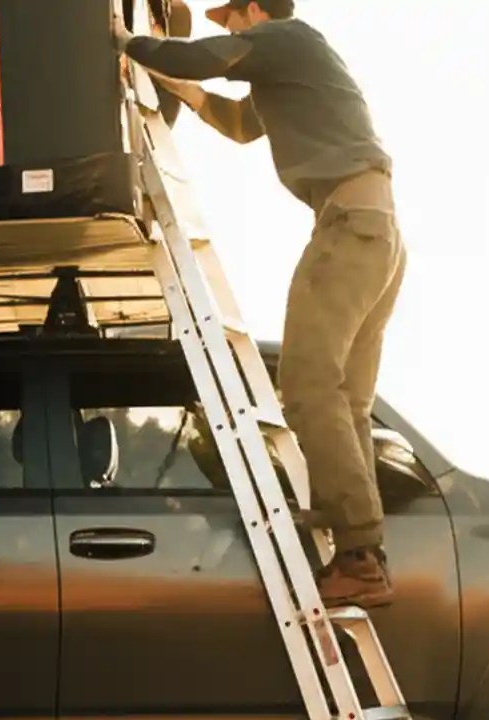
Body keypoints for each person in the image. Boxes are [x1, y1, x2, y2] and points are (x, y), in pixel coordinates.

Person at [112, 0, 406, 608]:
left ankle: (358, 555)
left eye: (231, 19)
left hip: (349, 227)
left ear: (253, 9)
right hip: (377, 229)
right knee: (346, 401)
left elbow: (204, 57)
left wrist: (123, 39)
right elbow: (243, 123)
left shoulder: (283, 37)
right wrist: (180, 87)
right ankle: (361, 548)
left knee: (307, 386)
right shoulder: (297, 62)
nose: (228, 29)